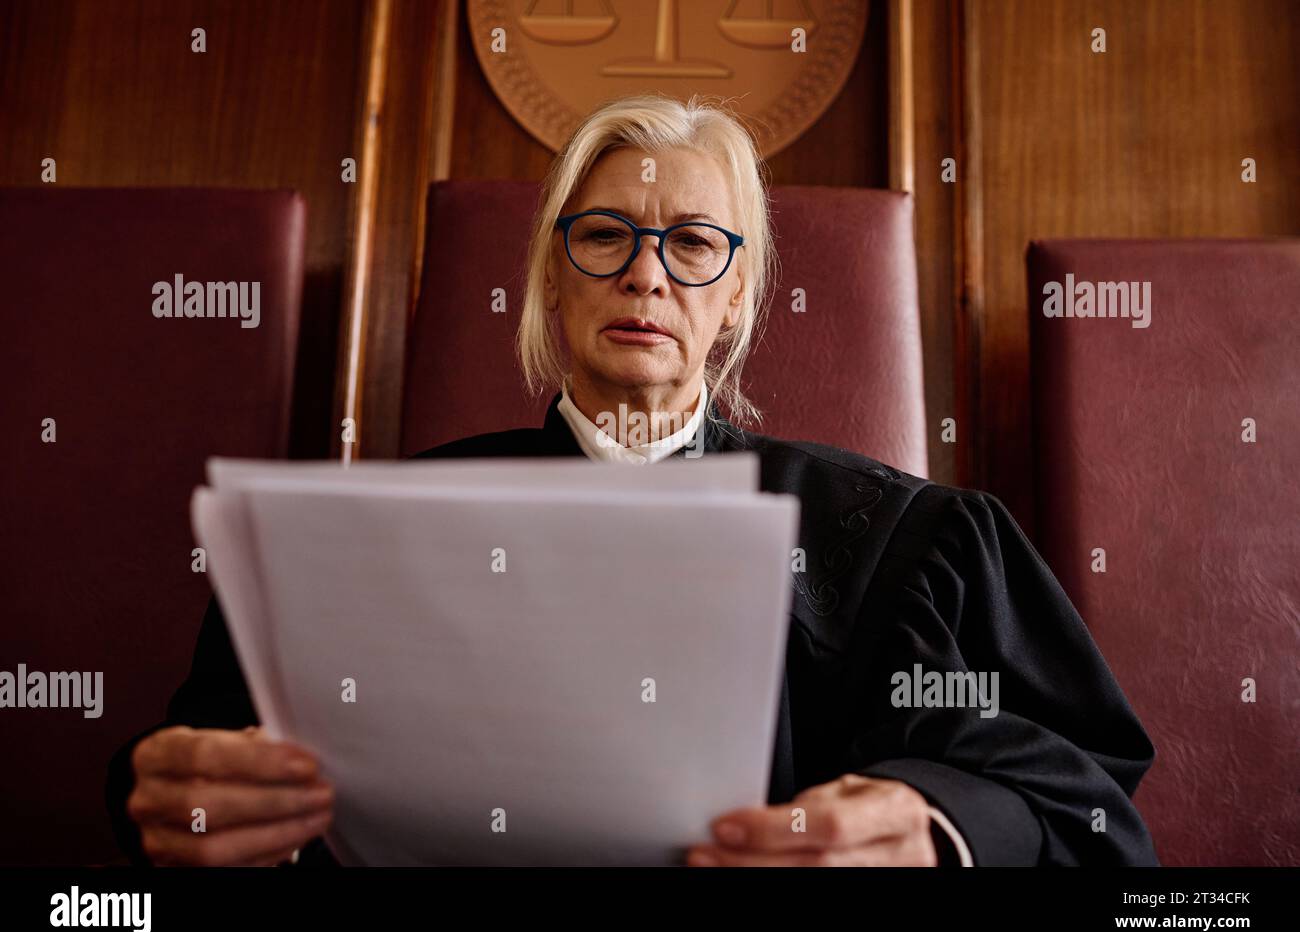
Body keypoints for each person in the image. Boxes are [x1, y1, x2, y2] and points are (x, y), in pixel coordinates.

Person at [107, 93, 1159, 867]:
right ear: (551, 279)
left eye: (692, 242)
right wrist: (184, 813)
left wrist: (941, 828)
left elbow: (1094, 808)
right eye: (604, 234)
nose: (645, 272)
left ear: (738, 297)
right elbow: (176, 797)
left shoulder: (909, 544)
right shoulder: (357, 539)